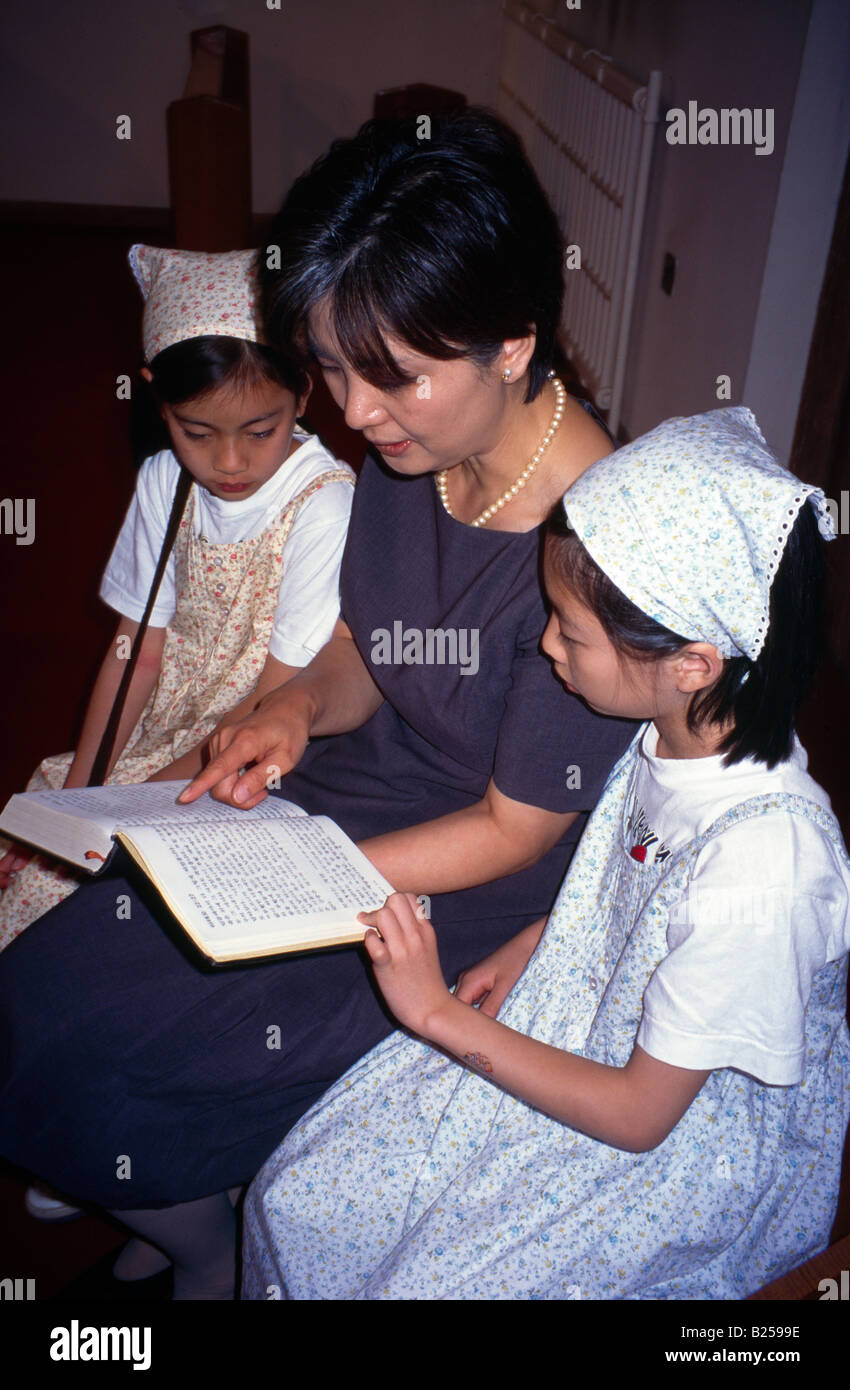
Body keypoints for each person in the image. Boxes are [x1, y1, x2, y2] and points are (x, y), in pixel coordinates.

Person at [0, 111, 635, 1301]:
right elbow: (362, 642)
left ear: (512, 344)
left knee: (116, 1043)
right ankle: (186, 1207)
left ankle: (200, 1231)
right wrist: (296, 705)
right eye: (333, 368)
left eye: (388, 376)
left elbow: (520, 828)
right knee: (50, 988)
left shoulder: (594, 541)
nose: (353, 412)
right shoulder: (420, 453)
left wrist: (301, 876)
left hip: (459, 875)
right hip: (352, 799)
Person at [242, 407, 850, 1301]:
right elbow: (636, 882)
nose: (545, 645)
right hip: (590, 1012)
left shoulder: (768, 867)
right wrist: (534, 939)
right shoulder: (671, 730)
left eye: (569, 630)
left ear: (691, 661)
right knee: (302, 1197)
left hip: (672, 1139)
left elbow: (642, 1120)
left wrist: (438, 1018)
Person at [0, 243, 355, 951]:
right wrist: (78, 801)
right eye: (197, 432)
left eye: (261, 431)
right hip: (167, 736)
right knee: (28, 844)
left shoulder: (323, 501)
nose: (228, 463)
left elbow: (271, 705)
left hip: (251, 753)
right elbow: (137, 653)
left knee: (67, 907)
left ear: (304, 396)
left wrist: (129, 818)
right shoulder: (165, 479)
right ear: (155, 397)